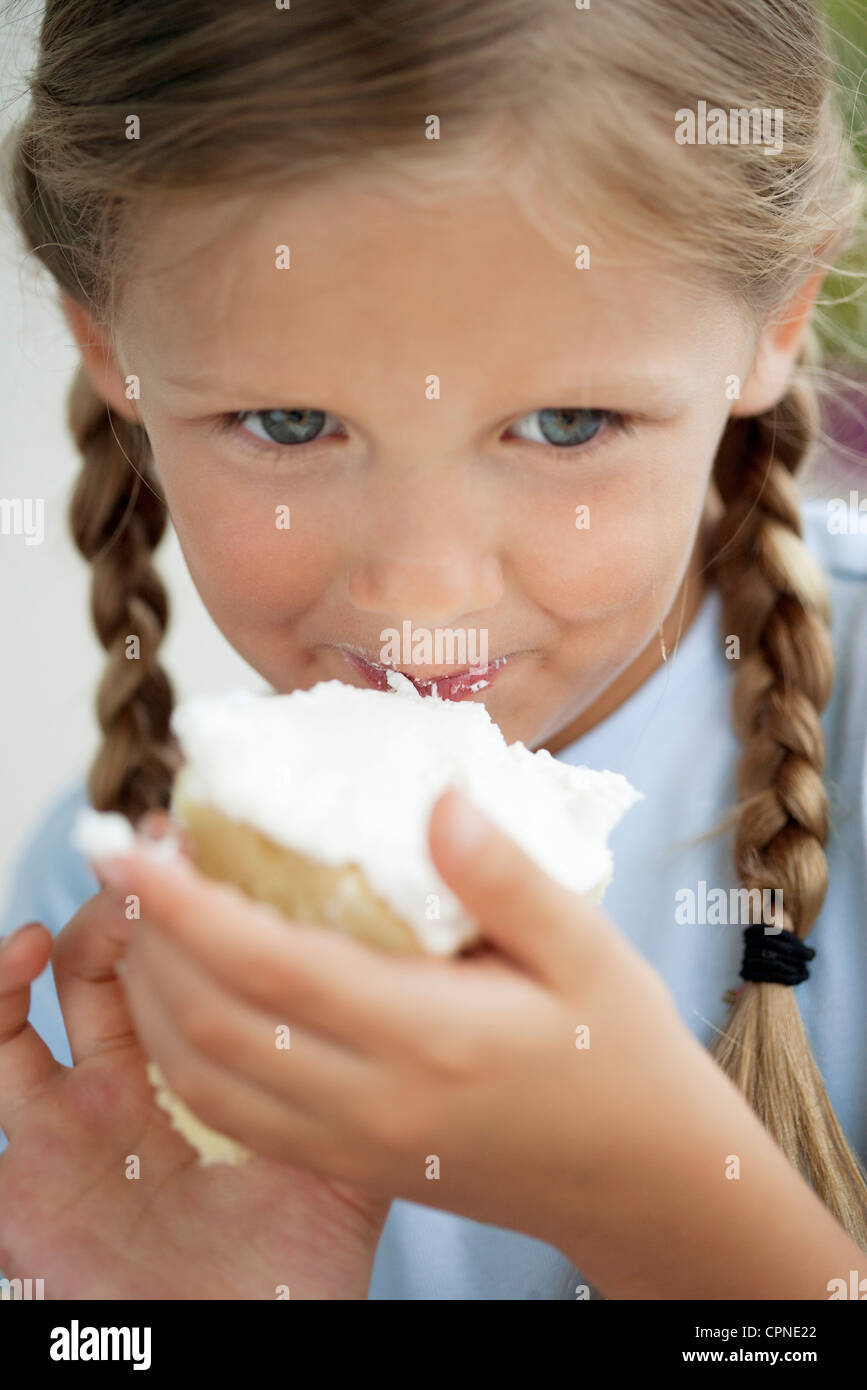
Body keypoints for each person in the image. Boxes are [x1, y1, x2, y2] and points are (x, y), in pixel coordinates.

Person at [1, 0, 866, 1300]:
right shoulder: (113, 899)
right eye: (289, 421)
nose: (421, 588)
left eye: (566, 423)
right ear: (109, 349)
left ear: (777, 323)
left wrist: (658, 1206)